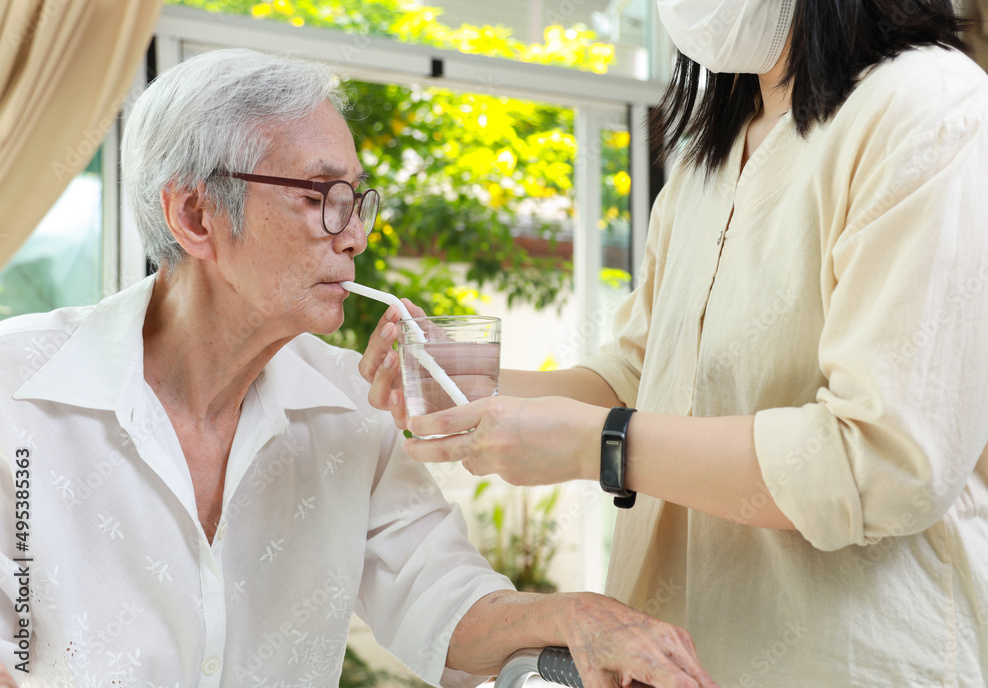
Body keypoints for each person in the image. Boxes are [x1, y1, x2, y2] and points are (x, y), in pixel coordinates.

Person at [0, 48, 719, 688]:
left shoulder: (352, 405)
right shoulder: (16, 389)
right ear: (194, 215)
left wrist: (581, 616)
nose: (357, 237)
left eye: (358, 200)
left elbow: (448, 606)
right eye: (321, 199)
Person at [361, 1, 988, 686]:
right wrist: (458, 380)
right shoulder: (708, 157)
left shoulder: (927, 107)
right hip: (674, 659)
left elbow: (886, 460)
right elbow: (639, 374)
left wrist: (600, 445)